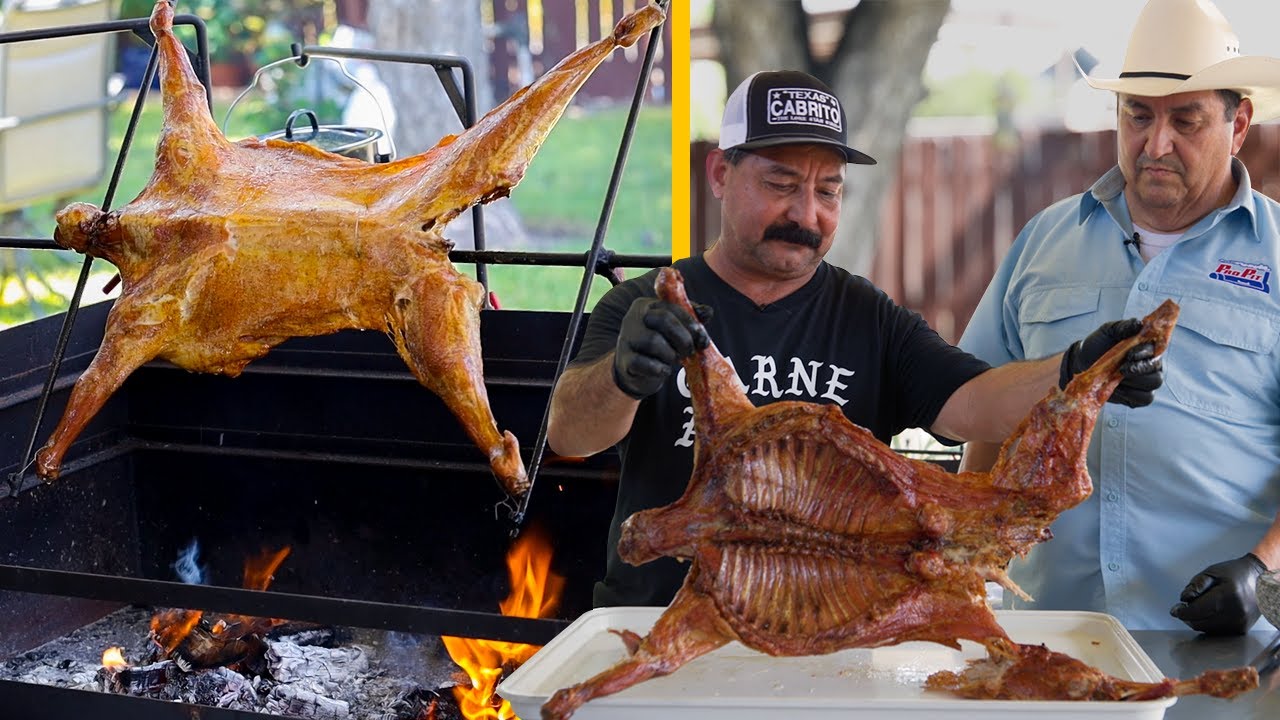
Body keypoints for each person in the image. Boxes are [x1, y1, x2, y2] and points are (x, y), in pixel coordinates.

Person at [546, 69, 1162, 609]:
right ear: (720, 174)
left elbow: (976, 403)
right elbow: (569, 434)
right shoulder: (647, 306)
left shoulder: (868, 317)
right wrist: (623, 375)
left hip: (827, 637)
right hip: (657, 629)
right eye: (781, 184)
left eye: (828, 191)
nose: (806, 215)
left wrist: (1076, 371)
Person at [958, 0, 1280, 634]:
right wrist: (968, 549)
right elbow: (984, 408)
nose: (1156, 144)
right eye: (1138, 115)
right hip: (1046, 631)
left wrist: (1264, 571)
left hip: (1218, 641)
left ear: (1238, 124)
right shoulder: (1045, 242)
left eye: (1185, 121)